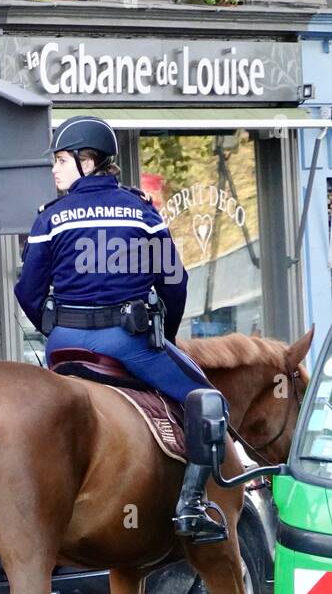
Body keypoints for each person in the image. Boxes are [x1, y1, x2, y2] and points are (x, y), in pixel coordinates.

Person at [15, 114, 226, 544]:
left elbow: (27, 292)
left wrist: (54, 331)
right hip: (125, 342)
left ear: (87, 162)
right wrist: (164, 333)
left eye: (59, 160)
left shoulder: (50, 218)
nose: (53, 169)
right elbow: (175, 282)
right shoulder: (142, 212)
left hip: (62, 346)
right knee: (208, 399)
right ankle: (191, 506)